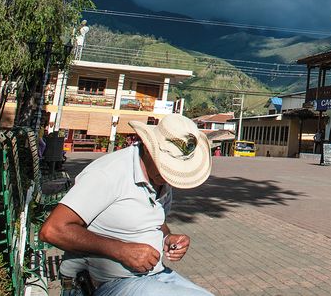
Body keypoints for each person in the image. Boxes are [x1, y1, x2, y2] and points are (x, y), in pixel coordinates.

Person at [40, 113, 215, 294]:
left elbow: (154, 221)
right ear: (148, 148)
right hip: (106, 283)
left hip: (154, 275)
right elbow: (52, 230)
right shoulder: (109, 173)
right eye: (167, 166)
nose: (168, 175)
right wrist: (121, 251)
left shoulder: (160, 179)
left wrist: (167, 237)